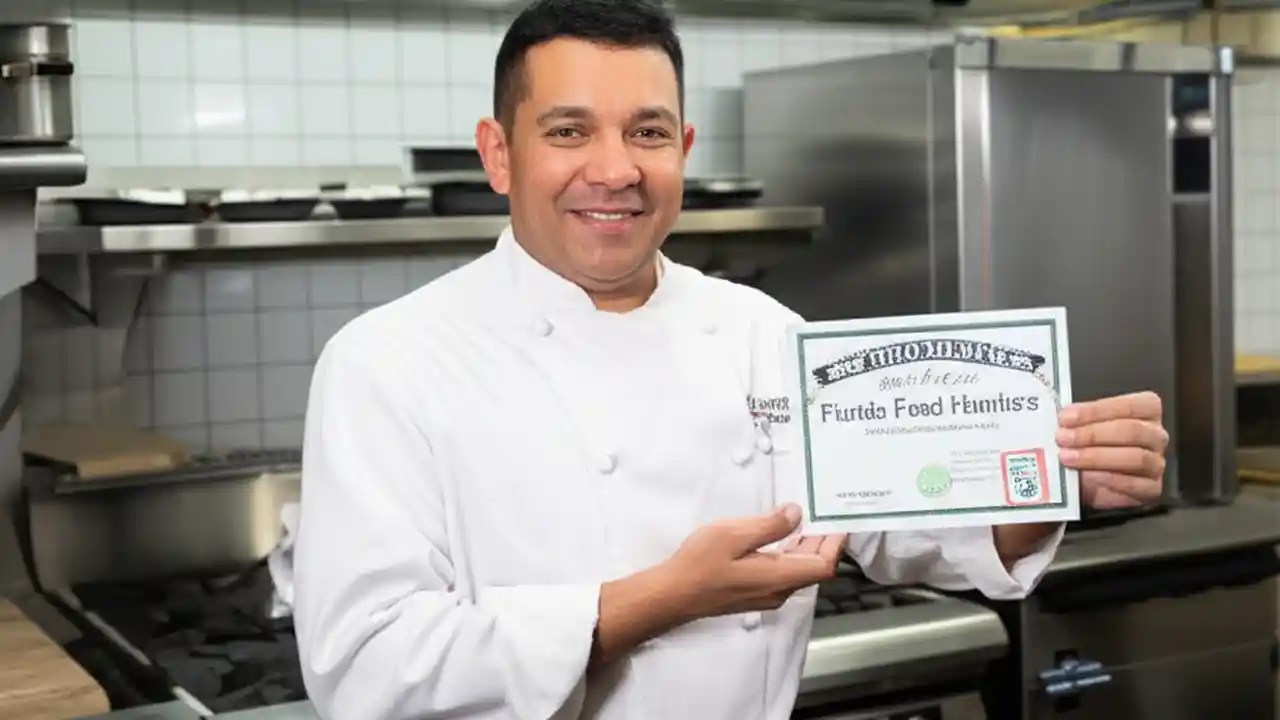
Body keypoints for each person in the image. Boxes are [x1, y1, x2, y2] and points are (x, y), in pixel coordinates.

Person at [292, 1, 1169, 718]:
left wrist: (1055, 477)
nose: (615, 170)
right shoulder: (388, 363)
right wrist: (664, 597)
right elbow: (368, 671)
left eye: (646, 132)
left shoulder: (761, 332)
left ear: (683, 151)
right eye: (568, 132)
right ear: (498, 154)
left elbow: (905, 530)